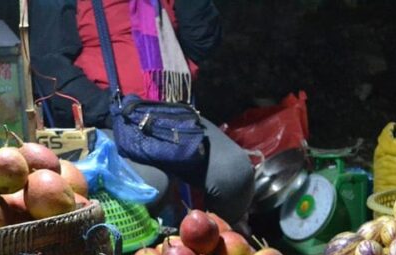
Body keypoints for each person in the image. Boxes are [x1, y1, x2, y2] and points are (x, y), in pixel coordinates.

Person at [29, 0, 255, 225]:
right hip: (108, 120)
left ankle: (213, 239)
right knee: (150, 185)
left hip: (171, 115)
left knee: (234, 174)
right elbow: (52, 69)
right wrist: (114, 110)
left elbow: (203, 43)